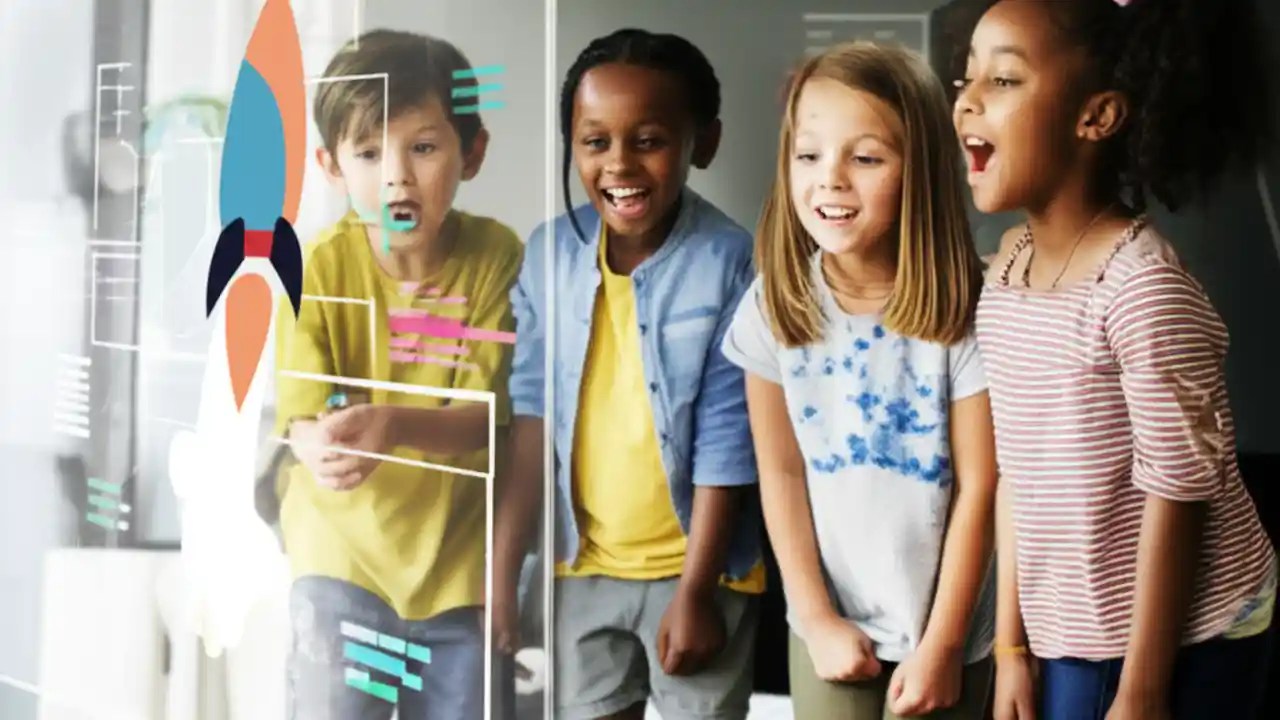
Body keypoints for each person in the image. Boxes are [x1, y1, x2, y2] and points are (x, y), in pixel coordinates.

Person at [953, 0, 1277, 717]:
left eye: (1004, 80)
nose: (969, 99)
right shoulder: (1007, 270)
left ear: (1096, 117)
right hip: (1075, 622)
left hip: (1188, 633)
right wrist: (1012, 647)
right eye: (965, 78)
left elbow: (1178, 496)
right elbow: (1018, 475)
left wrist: (1142, 689)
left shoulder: (1141, 291)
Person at [492, 28, 765, 720]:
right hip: (579, 572)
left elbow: (728, 439)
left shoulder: (729, 258)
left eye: (648, 140)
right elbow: (530, 421)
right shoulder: (548, 254)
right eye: (595, 141)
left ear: (703, 143)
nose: (619, 164)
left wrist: (698, 591)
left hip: (699, 574)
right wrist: (503, 572)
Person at [722, 42, 997, 718]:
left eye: (866, 158)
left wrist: (942, 644)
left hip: (950, 636)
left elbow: (979, 487)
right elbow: (780, 473)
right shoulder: (774, 303)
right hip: (830, 628)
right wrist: (814, 618)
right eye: (809, 155)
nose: (830, 180)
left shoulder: (969, 308)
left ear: (921, 171)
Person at [272, 29, 520, 719]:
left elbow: (488, 421)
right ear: (329, 164)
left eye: (423, 146)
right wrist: (314, 440)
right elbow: (300, 413)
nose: (396, 177)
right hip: (338, 561)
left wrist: (388, 423)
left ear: (472, 153)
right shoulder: (314, 267)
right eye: (368, 152)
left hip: (458, 573)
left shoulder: (495, 256)